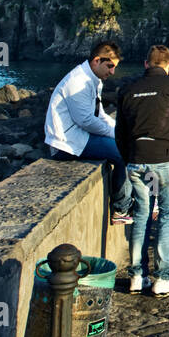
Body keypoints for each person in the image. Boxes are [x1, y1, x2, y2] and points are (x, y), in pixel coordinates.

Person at [114, 44, 169, 296]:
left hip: (137, 162)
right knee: (167, 217)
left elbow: (120, 132)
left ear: (145, 64)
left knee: (141, 216)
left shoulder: (128, 89)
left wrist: (129, 158)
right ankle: (165, 277)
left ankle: (137, 276)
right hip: (165, 161)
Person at [44, 41, 134, 225]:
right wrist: (117, 135)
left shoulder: (92, 79)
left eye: (114, 67)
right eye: (109, 66)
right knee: (123, 152)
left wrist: (119, 130)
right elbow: (85, 121)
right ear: (96, 61)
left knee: (126, 146)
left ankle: (128, 201)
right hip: (67, 144)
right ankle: (121, 208)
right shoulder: (77, 82)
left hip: (80, 137)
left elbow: (99, 115)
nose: (112, 72)